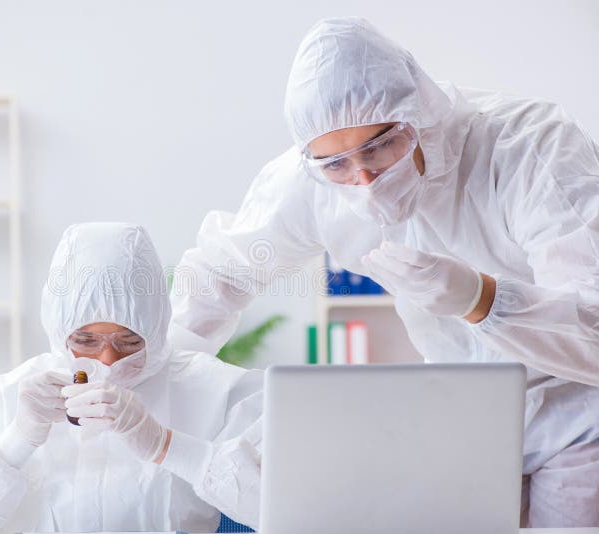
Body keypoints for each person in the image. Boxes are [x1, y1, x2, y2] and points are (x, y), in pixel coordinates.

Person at [169, 17, 599, 527]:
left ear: (418, 111)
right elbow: (223, 272)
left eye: (378, 147)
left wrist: (482, 298)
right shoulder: (311, 182)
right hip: (462, 412)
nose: (363, 179)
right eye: (336, 165)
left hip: (576, 414)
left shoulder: (528, 147)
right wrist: (155, 377)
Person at [0, 222, 262, 533]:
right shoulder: (12, 394)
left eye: (128, 341)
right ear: (59, 332)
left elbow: (292, 510)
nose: (107, 360)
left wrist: (167, 446)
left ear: (156, 329)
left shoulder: (215, 389)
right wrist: (15, 443)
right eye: (85, 341)